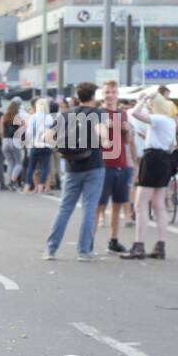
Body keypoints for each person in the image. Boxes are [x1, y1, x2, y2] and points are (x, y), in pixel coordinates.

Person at [43, 82, 107, 261]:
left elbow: (46, 137)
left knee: (65, 207)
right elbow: (103, 136)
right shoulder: (97, 114)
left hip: (72, 166)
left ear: (78, 96)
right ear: (93, 96)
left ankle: (51, 249)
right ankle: (83, 251)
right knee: (89, 208)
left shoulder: (67, 114)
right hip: (94, 166)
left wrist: (60, 148)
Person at [120, 91, 178, 260]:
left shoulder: (158, 119)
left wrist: (143, 99)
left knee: (140, 204)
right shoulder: (170, 122)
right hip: (165, 160)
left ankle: (139, 245)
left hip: (152, 159)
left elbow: (135, 113)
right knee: (159, 205)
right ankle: (161, 246)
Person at [94, 81, 137, 253]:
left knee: (118, 204)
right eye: (107, 92)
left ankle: (113, 240)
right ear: (102, 95)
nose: (110, 95)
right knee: (99, 206)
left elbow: (127, 141)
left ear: (117, 94)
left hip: (121, 163)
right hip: (103, 164)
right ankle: (89, 240)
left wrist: (126, 131)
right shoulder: (98, 113)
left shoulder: (122, 114)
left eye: (112, 92)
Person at [24, 97, 54, 193]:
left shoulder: (34, 117)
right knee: (45, 167)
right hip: (47, 144)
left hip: (36, 144)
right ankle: (41, 187)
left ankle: (27, 187)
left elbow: (29, 132)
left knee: (31, 166)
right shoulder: (49, 117)